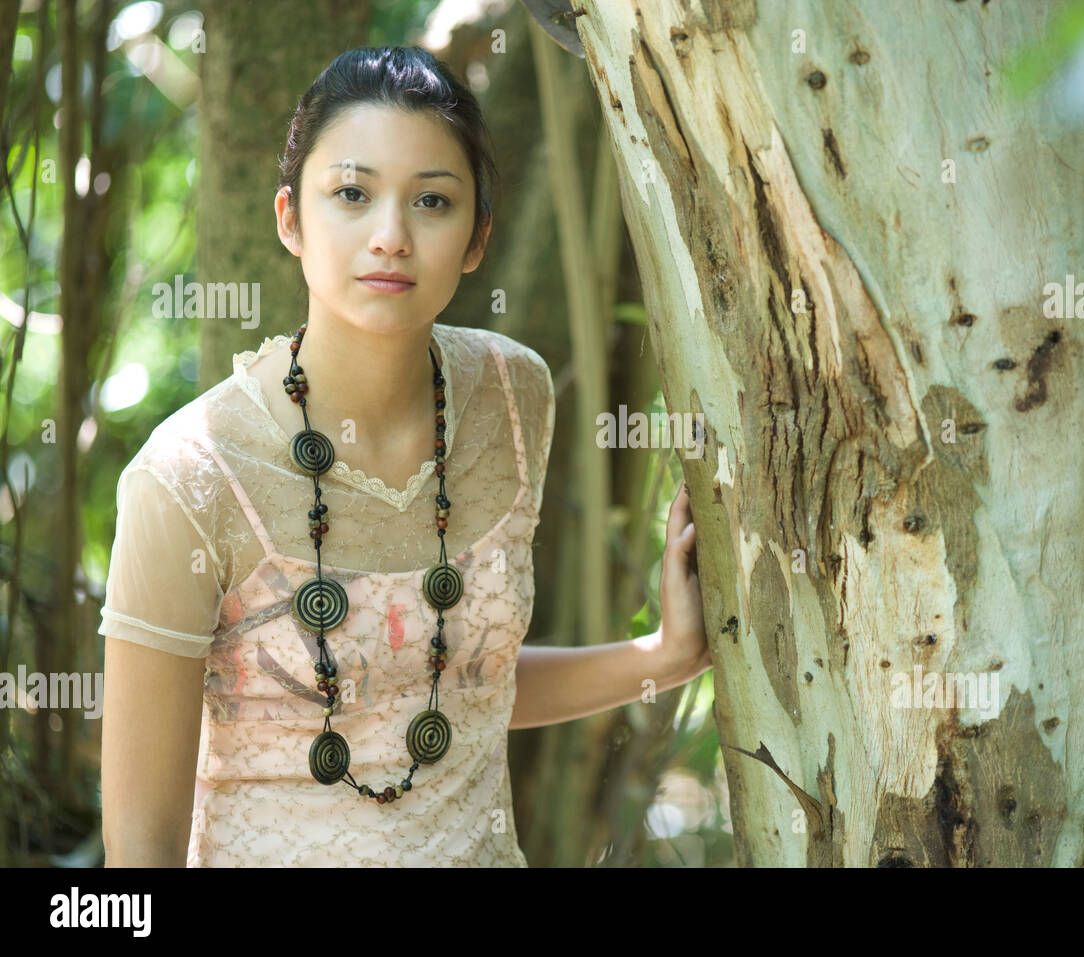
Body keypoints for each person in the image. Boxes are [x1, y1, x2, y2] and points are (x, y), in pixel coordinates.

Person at [99, 46, 710, 867]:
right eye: (351, 194)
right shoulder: (190, 477)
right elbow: (140, 849)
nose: (390, 237)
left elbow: (459, 684)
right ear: (290, 219)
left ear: (476, 236)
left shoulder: (513, 397)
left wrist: (663, 657)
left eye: (431, 201)